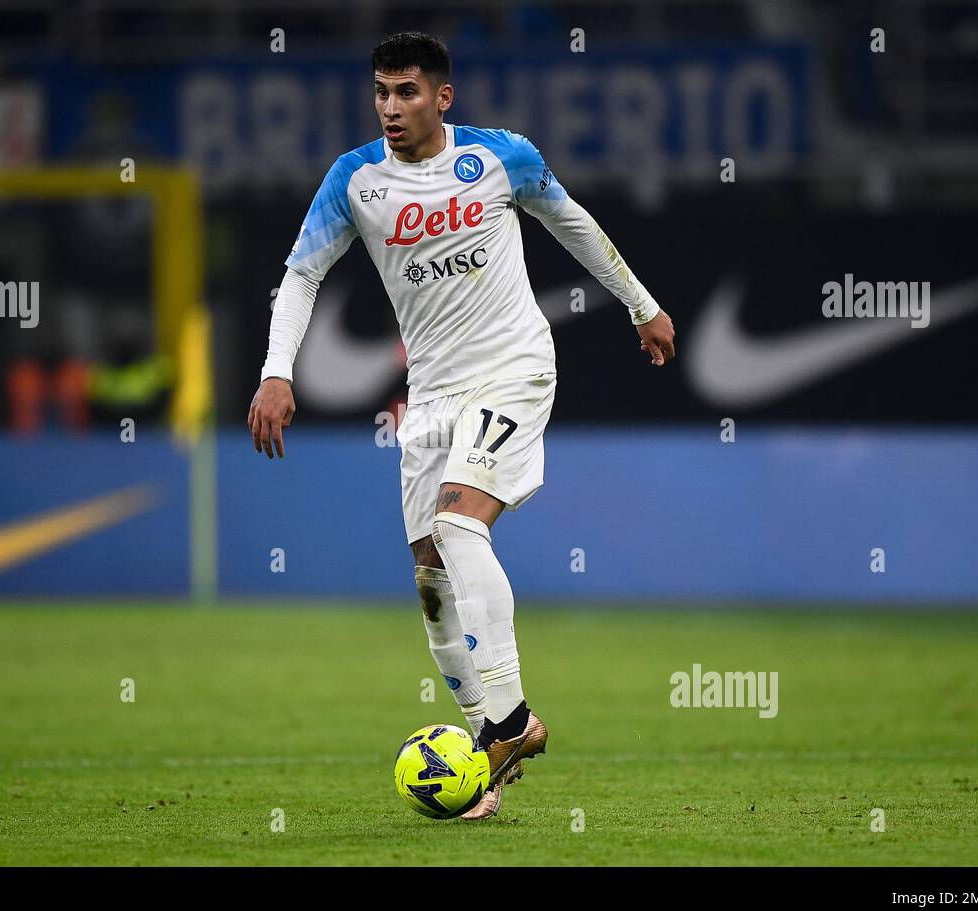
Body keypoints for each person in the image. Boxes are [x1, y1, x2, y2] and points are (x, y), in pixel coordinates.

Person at [248, 31, 675, 819]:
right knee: (430, 575)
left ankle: (510, 721)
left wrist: (641, 305)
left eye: (407, 92)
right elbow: (302, 272)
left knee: (457, 525)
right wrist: (278, 370)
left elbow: (572, 221)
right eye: (381, 92)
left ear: (443, 97)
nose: (390, 108)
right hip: (433, 394)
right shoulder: (356, 181)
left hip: (513, 369)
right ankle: (487, 761)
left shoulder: (501, 158)